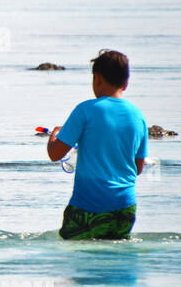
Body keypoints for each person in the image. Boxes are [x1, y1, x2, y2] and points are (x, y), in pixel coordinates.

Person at [46, 50, 148, 239]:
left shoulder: (85, 110)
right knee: (115, 258)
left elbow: (55, 154)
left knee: (79, 257)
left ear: (97, 78)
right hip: (125, 207)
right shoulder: (138, 117)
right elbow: (138, 168)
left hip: (87, 205)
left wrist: (55, 134)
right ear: (126, 83)